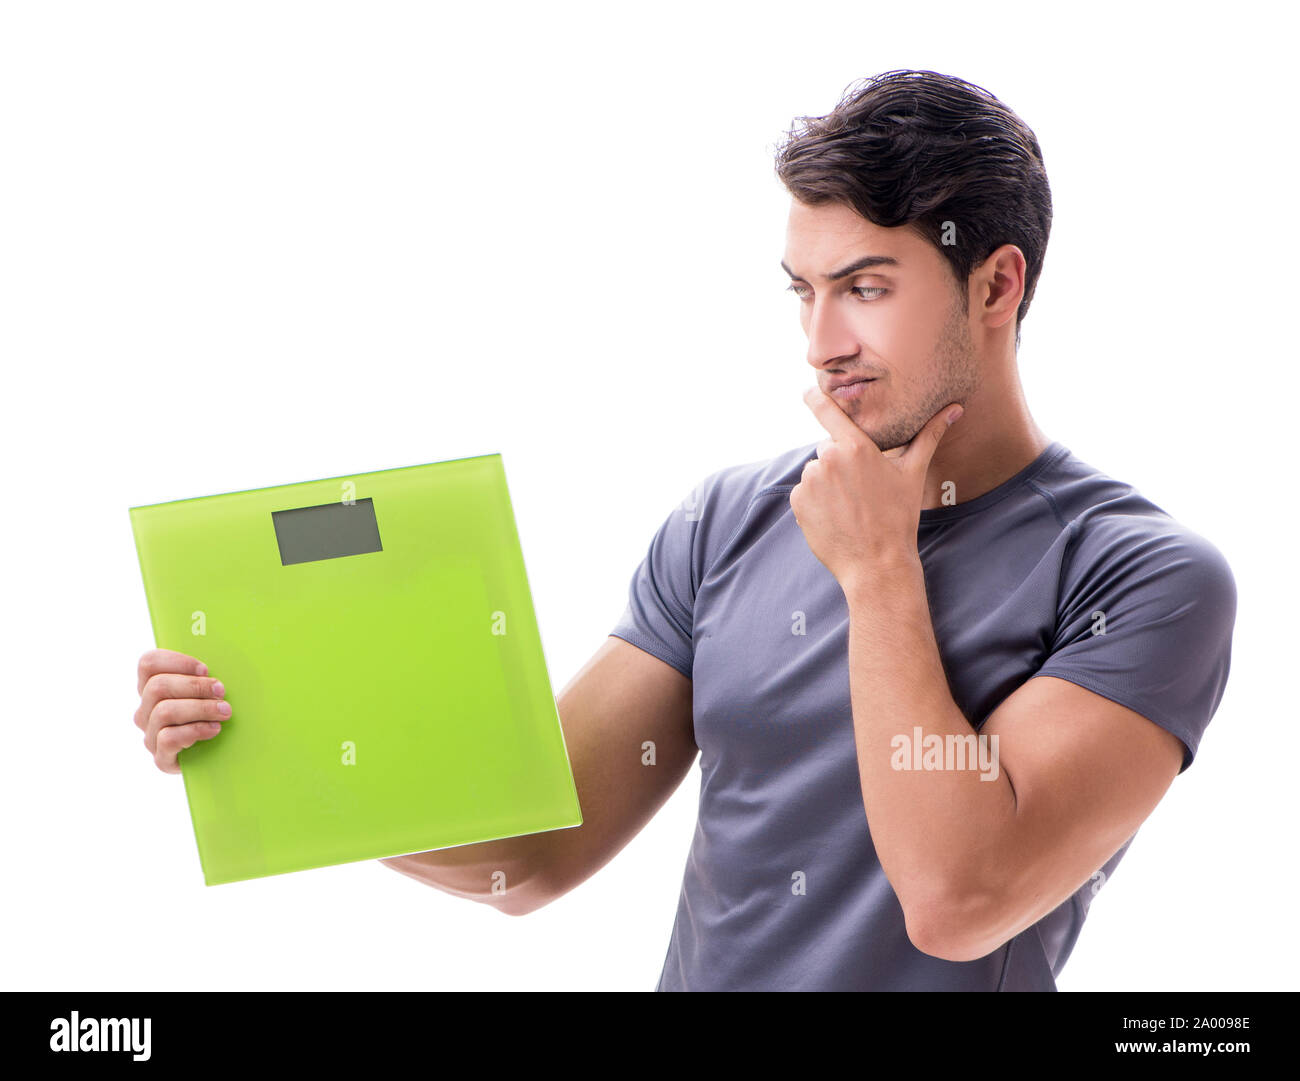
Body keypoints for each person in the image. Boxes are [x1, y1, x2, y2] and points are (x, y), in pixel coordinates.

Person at [133, 68, 1237, 991]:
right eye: (800, 290)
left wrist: (878, 569)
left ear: (995, 284)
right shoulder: (726, 523)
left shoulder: (1144, 577)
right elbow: (533, 850)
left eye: (863, 286)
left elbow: (956, 899)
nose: (821, 341)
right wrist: (267, 747)